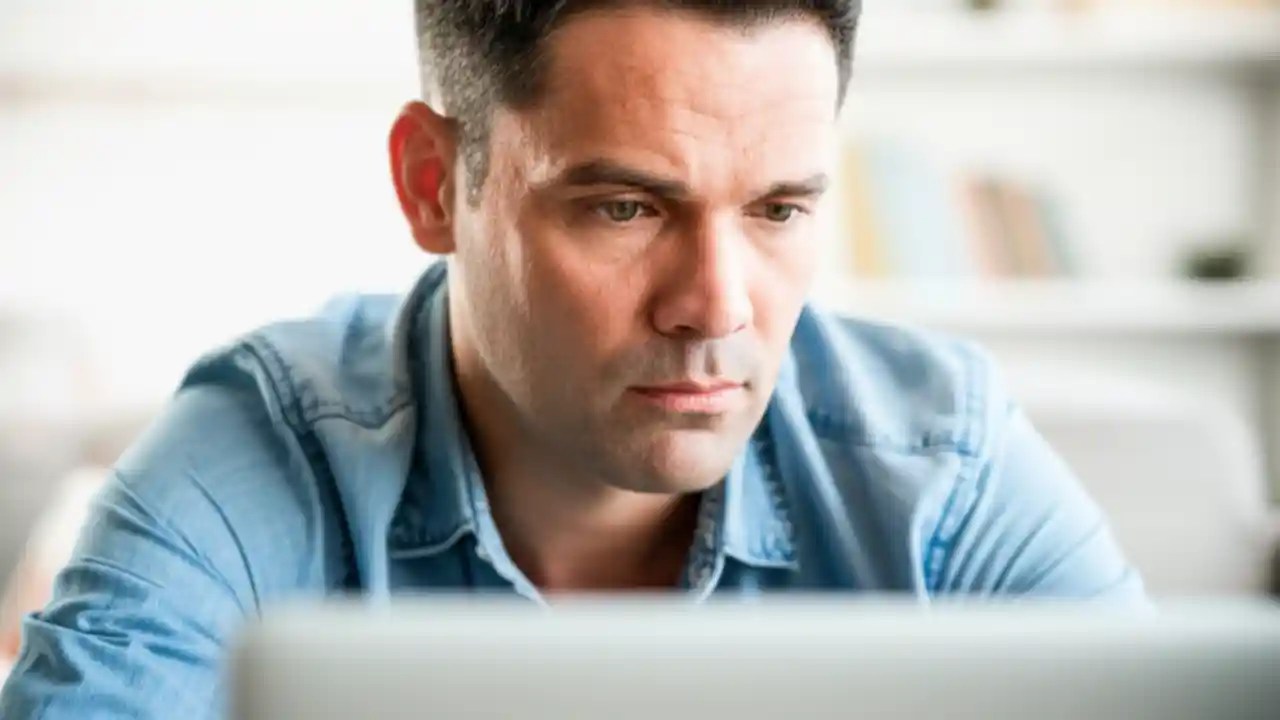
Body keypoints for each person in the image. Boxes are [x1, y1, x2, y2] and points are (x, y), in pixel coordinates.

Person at [0, 1, 1143, 716]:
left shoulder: (942, 461)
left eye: (778, 211)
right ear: (432, 185)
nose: (714, 307)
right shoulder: (250, 459)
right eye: (624, 209)